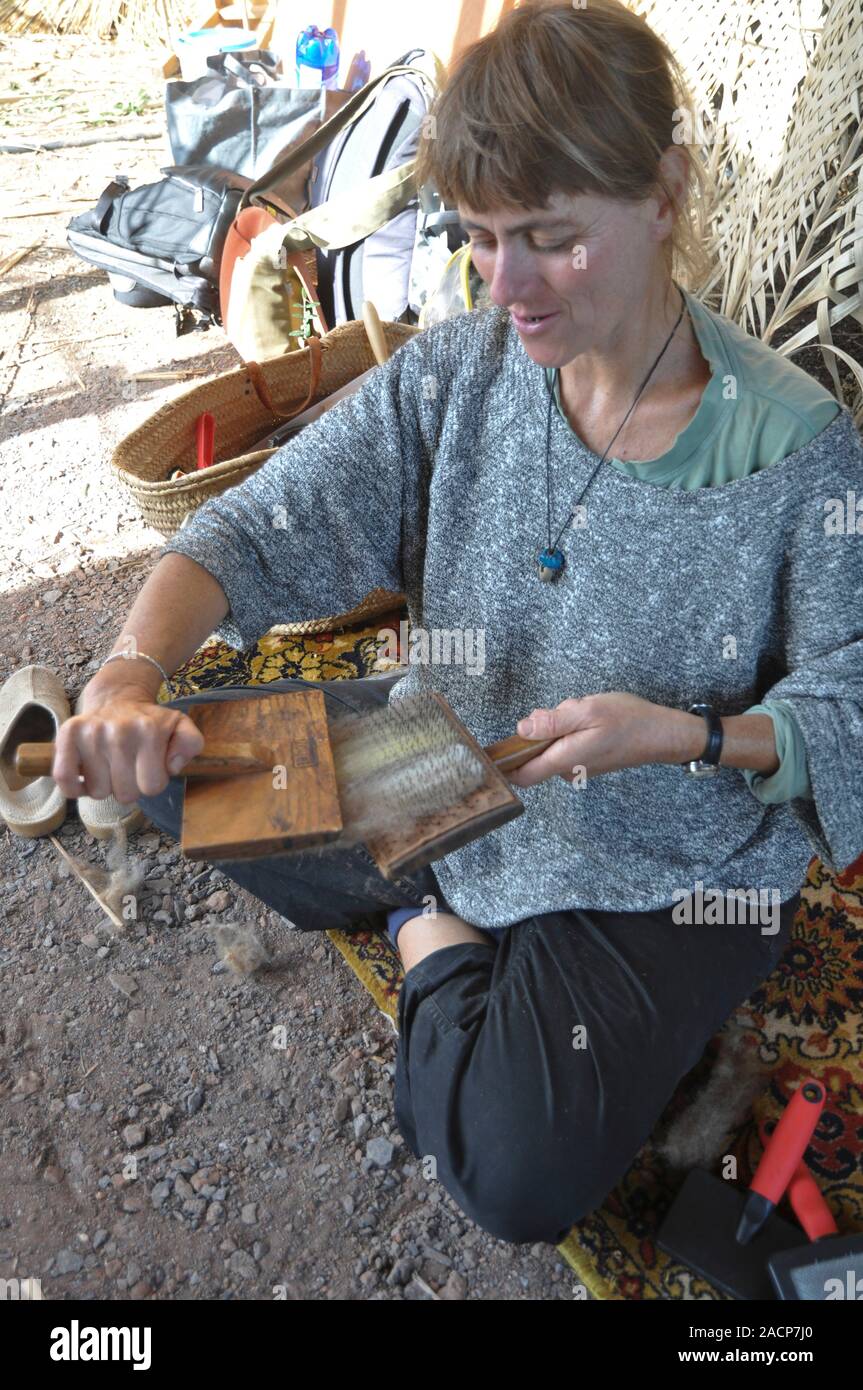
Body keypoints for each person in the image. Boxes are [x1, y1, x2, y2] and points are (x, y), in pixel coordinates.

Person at [53, 0, 863, 1246]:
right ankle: (433, 895)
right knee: (180, 766)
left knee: (514, 1177)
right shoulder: (464, 369)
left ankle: (422, 923)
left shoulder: (798, 452)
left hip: (658, 866)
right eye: (482, 240)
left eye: (548, 238)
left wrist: (690, 737)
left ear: (663, 194)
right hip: (450, 765)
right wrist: (123, 675)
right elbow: (249, 529)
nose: (509, 285)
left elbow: (847, 704)